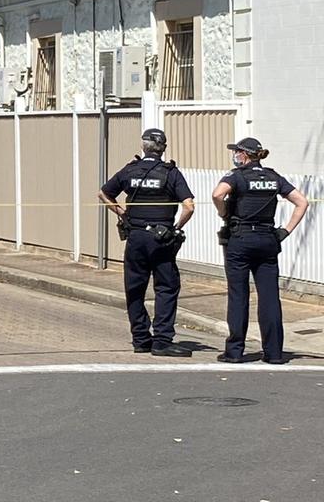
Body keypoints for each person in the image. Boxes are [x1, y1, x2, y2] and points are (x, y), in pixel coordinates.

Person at [97, 128, 196, 357]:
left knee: (135, 288)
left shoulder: (130, 170)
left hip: (136, 237)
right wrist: (176, 228)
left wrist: (121, 213)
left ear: (144, 147)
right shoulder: (170, 173)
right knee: (166, 286)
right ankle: (162, 340)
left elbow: (103, 193)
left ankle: (140, 339)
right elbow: (189, 206)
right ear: (163, 148)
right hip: (161, 238)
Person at [211, 138, 309, 365]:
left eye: (236, 151)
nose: (235, 155)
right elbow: (302, 202)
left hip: (240, 239)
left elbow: (217, 194)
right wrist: (285, 231)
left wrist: (224, 213)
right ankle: (274, 353)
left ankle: (235, 352)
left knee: (239, 295)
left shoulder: (236, 176)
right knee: (269, 297)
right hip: (267, 240)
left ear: (244, 155)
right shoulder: (273, 177)